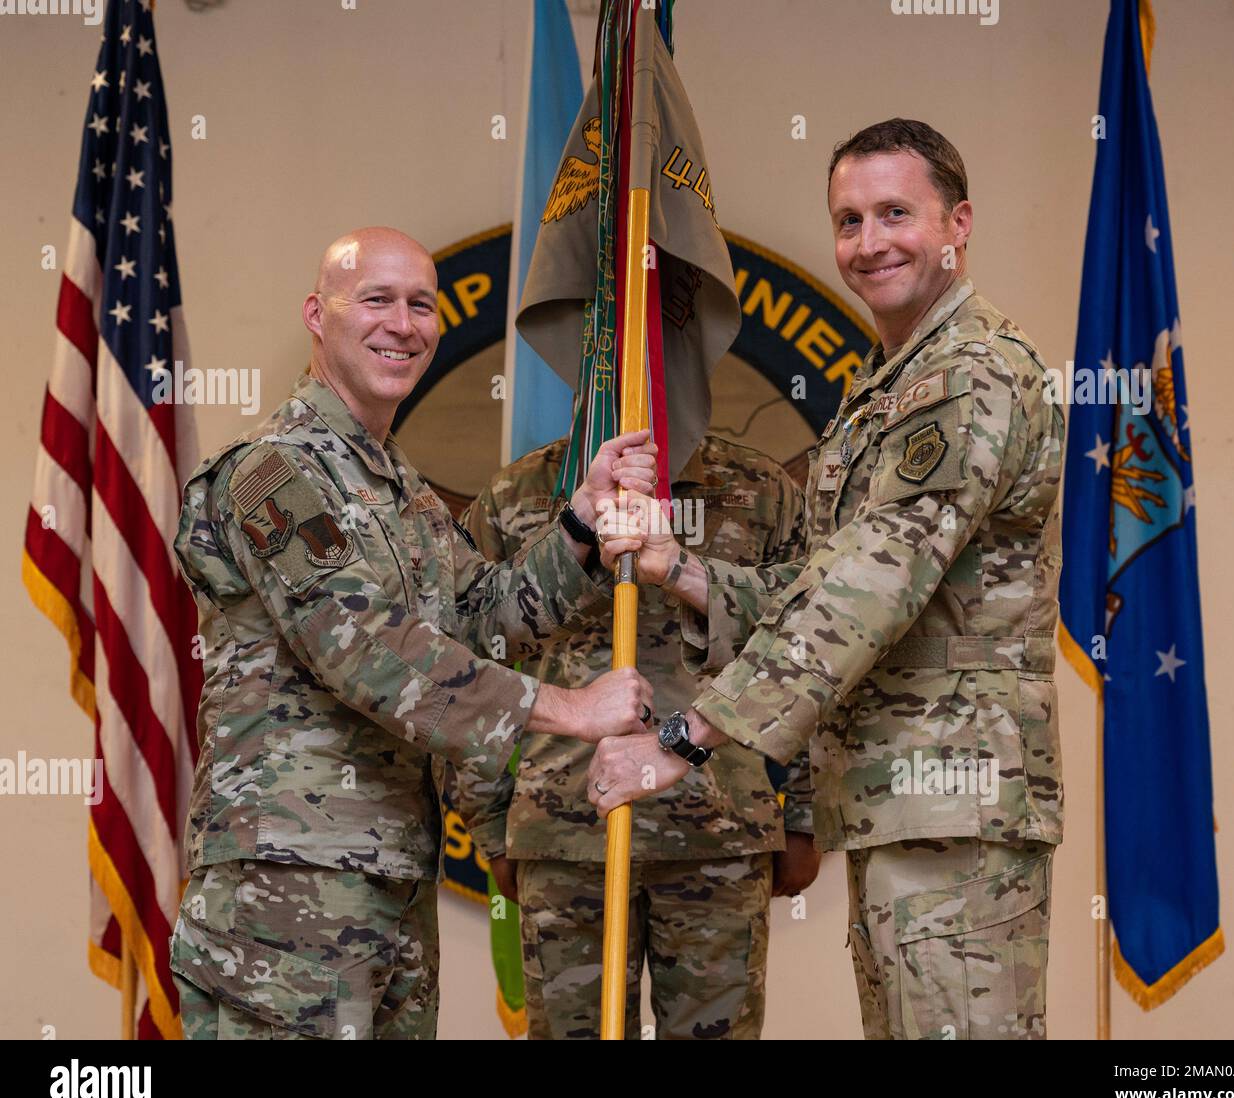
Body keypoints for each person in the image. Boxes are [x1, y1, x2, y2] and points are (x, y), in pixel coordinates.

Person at [590, 119, 1065, 1040]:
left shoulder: (968, 376)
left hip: (955, 806)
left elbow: (867, 590)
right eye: (849, 220)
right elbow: (821, 583)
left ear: (958, 223)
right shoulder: (886, 383)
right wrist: (675, 566)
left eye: (896, 213)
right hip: (901, 803)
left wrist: (683, 738)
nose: (869, 241)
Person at [169, 226, 657, 1040]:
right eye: (377, 300)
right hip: (287, 884)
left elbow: (480, 619)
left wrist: (579, 520)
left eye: (422, 305)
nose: (405, 323)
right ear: (317, 316)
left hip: (390, 874)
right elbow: (365, 651)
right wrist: (571, 709)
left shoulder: (403, 494)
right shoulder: (271, 474)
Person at [454, 432, 819, 1039]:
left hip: (721, 830)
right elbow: (468, 655)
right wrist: (492, 823)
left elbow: (811, 638)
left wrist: (805, 812)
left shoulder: (761, 490)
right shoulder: (515, 495)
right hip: (567, 834)